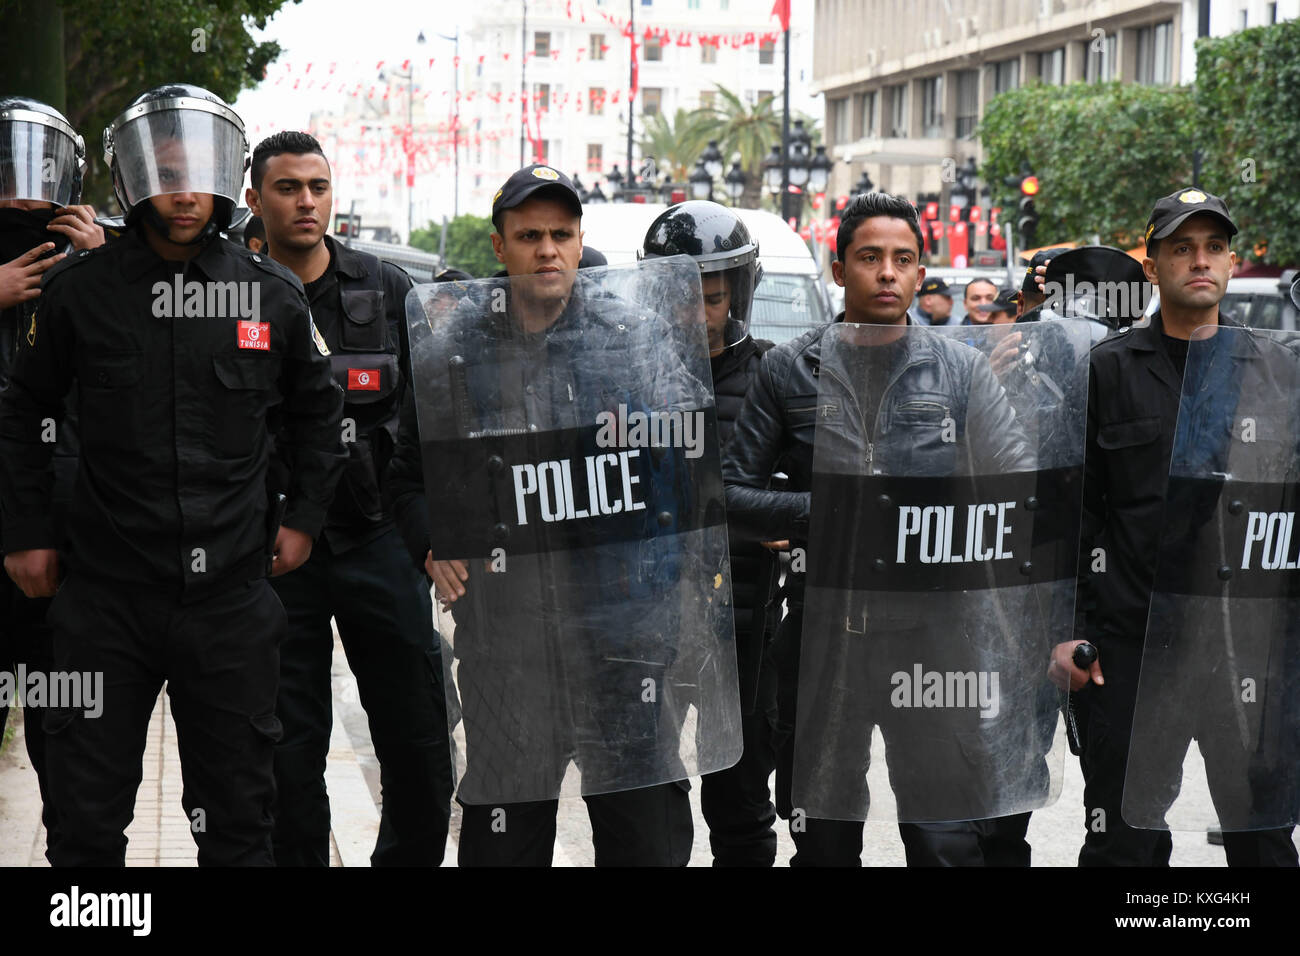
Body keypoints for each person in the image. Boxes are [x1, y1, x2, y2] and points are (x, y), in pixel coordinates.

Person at [0, 84, 346, 867]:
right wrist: (25, 533)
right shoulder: (79, 295)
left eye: (198, 170)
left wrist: (304, 519)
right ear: (132, 176)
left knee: (238, 821)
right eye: (165, 170)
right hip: (103, 601)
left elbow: (318, 415)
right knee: (84, 825)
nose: (183, 191)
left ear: (226, 174)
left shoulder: (271, 295)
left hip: (230, 602)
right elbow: (23, 412)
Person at [388, 164, 723, 867]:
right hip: (507, 646)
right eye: (530, 235)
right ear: (500, 245)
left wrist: (673, 611)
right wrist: (434, 538)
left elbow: (684, 482)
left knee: (647, 838)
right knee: (504, 837)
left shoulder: (632, 339)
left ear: (579, 242)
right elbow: (408, 476)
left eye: (562, 234)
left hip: (624, 643)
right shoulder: (455, 353)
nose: (548, 249)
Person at [722, 191, 1040, 866]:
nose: (888, 273)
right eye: (870, 258)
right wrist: (822, 516)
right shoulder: (789, 369)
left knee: (944, 836)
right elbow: (729, 494)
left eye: (903, 259)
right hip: (822, 637)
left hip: (937, 637)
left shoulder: (961, 370)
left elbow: (1019, 492)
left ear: (921, 272)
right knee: (824, 840)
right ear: (839, 271)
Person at [1049, 186, 1299, 867]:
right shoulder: (1107, 369)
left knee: (1266, 842)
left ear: (1231, 261)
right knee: (1122, 843)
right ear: (1153, 263)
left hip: (1247, 648)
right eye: (1182, 248)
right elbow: (1076, 514)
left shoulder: (1278, 370)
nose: (1200, 261)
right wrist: (1068, 632)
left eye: (1214, 247)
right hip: (1132, 648)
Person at [244, 130, 452, 867]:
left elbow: (437, 414)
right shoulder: (229, 290)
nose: (306, 202)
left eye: (318, 187)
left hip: (379, 541)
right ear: (253, 199)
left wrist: (433, 529)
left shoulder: (386, 287)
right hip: (273, 553)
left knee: (417, 731)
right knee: (283, 747)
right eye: (288, 188)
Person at [640, 200, 781, 866]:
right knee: (647, 797)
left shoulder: (783, 377)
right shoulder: (628, 378)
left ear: (741, 292)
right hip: (650, 621)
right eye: (678, 299)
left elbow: (828, 491)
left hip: (746, 627)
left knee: (742, 805)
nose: (695, 314)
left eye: (713, 297)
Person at [0, 95, 105, 861]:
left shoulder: (102, 260)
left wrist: (106, 272)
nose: (21, 191)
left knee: (74, 759)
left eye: (38, 168)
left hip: (68, 555)